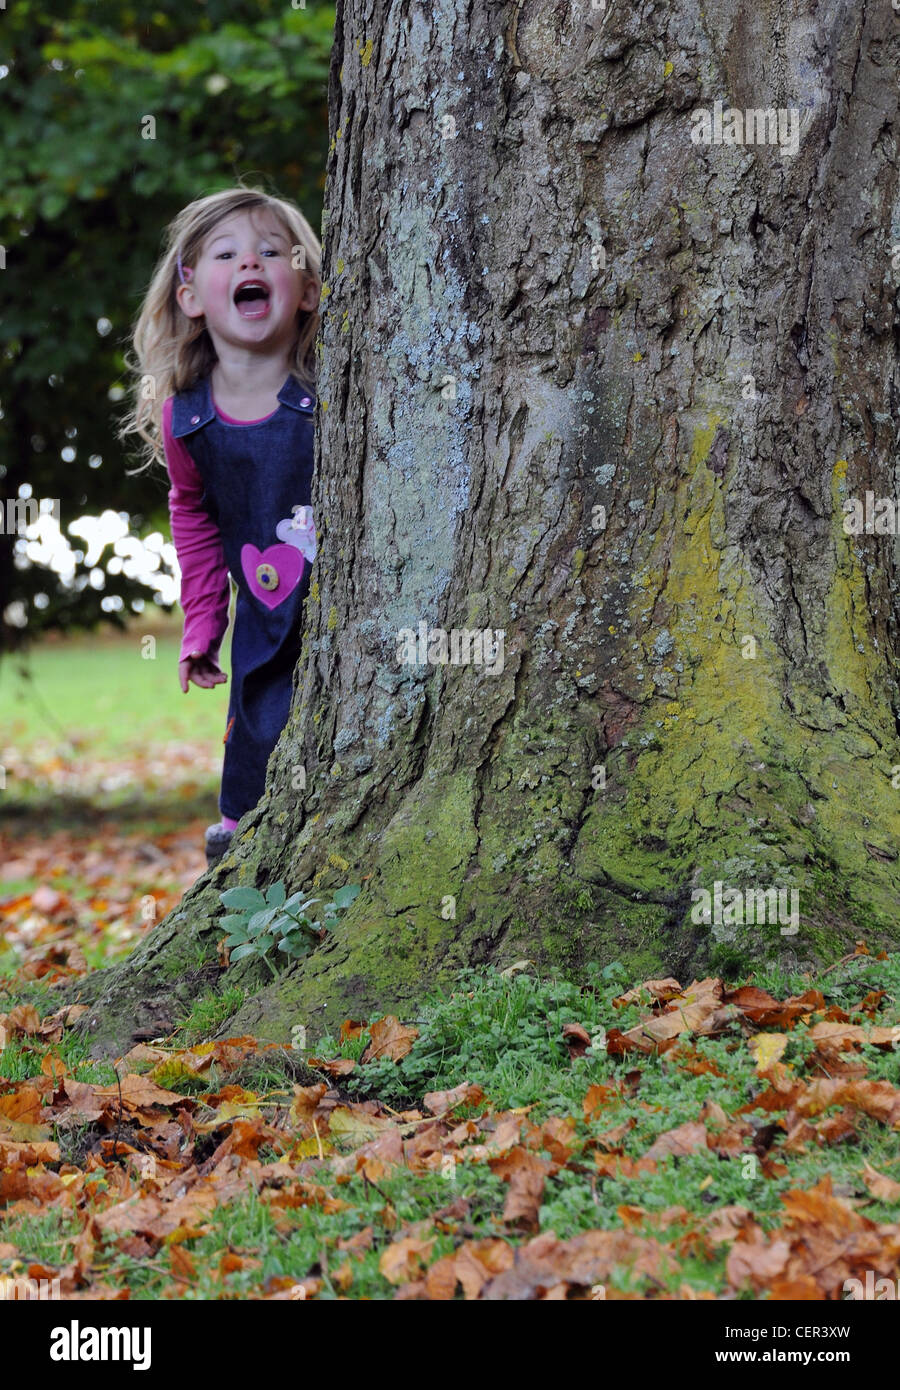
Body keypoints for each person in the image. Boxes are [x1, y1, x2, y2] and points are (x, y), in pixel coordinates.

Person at [119, 185, 321, 867]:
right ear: (191, 297)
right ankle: (239, 860)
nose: (250, 263)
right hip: (264, 617)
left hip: (347, 608)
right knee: (254, 734)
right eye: (226, 255)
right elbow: (194, 517)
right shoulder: (188, 418)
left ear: (308, 290)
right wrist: (203, 622)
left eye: (272, 252)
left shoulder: (334, 387)